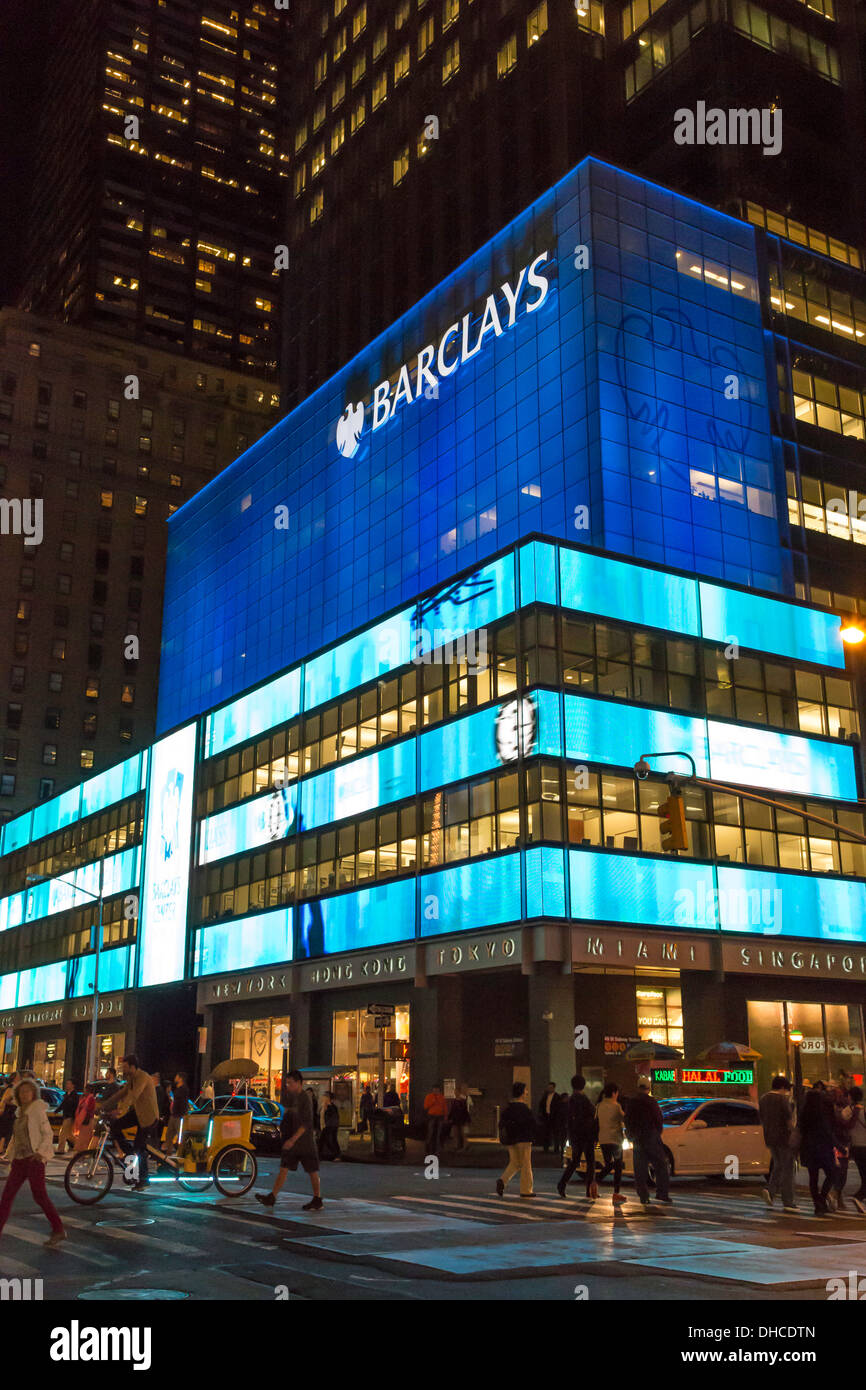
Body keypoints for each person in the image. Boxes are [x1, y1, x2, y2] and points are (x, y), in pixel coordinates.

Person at [0, 1077, 66, 1248]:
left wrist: (40, 1153)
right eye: (21, 1092)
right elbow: (17, 1138)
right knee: (7, 1196)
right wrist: (11, 1156)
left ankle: (58, 1229)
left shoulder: (37, 1111)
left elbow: (47, 1134)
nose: (25, 1094)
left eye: (28, 1091)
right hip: (20, 1160)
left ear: (34, 1093)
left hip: (34, 1160)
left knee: (40, 1196)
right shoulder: (20, 1113)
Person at [256, 1069, 322, 1212]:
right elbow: (287, 1113)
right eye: (287, 1083)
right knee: (284, 1168)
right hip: (292, 1139)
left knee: (312, 1170)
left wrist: (292, 1139)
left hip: (304, 1141)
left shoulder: (305, 1098)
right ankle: (272, 1196)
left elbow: (306, 1123)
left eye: (290, 1083)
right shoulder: (290, 1096)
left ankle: (317, 1198)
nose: (288, 1086)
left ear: (299, 1083)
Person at [95, 1054, 160, 1191]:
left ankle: (144, 1179)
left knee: (139, 1146)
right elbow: (122, 1093)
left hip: (148, 1117)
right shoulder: (131, 1078)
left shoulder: (142, 1077)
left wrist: (120, 1110)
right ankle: (129, 1156)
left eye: (125, 1067)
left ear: (132, 1066)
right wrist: (103, 1106)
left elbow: (133, 1096)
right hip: (137, 1113)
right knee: (115, 1126)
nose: (123, 1069)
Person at [625, 1078, 671, 1207]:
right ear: (648, 1088)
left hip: (637, 1138)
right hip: (651, 1136)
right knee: (661, 1165)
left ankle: (643, 1195)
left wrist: (630, 1135)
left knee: (640, 1168)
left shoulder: (632, 1102)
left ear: (638, 1087)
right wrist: (657, 1132)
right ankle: (662, 1193)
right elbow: (658, 1119)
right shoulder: (651, 1102)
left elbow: (627, 1120)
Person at [758, 1075, 798, 1213]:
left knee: (778, 1165)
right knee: (788, 1169)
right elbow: (789, 1121)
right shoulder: (782, 1099)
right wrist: (795, 1134)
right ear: (782, 1088)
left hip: (770, 1138)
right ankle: (788, 1201)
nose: (787, 1091)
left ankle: (770, 1190)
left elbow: (762, 1118)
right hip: (784, 1138)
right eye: (786, 1089)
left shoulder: (763, 1099)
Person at [798, 1081, 838, 1217]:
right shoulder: (821, 1115)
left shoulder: (804, 1115)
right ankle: (822, 1199)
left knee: (813, 1178)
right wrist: (840, 1147)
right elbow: (827, 1133)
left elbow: (801, 1131)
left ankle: (817, 1204)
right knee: (832, 1174)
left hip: (809, 1149)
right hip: (823, 1149)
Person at [557, 1075, 598, 1199]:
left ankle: (562, 1184)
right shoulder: (585, 1100)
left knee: (575, 1161)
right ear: (583, 1085)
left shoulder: (570, 1101)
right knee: (590, 1162)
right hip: (587, 1135)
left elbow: (568, 1120)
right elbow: (594, 1116)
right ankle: (589, 1189)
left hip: (575, 1135)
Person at [497, 1082, 535, 1198]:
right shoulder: (524, 1109)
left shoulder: (508, 1108)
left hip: (511, 1139)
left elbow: (501, 1124)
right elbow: (531, 1124)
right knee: (526, 1165)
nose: (527, 1092)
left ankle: (503, 1180)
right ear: (522, 1093)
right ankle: (526, 1190)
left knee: (515, 1163)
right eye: (526, 1090)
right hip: (524, 1139)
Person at [595, 1081, 627, 1205]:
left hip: (603, 1140)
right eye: (617, 1093)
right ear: (614, 1093)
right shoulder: (616, 1106)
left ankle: (594, 1181)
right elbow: (623, 1118)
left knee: (608, 1164)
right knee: (617, 1166)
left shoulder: (599, 1106)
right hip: (615, 1140)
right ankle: (616, 1193)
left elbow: (596, 1122)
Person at [847, 1085, 866, 1214]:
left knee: (864, 1176)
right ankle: (858, 1197)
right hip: (864, 1146)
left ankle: (859, 1198)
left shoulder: (847, 1110)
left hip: (854, 1147)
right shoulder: (864, 1110)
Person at [164, 1072, 190, 1153]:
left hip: (179, 1116)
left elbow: (182, 1103)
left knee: (180, 1136)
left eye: (177, 1076)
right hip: (174, 1115)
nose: (175, 1078)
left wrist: (182, 1114)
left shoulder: (184, 1089)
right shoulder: (178, 1089)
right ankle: (169, 1153)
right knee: (169, 1135)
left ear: (180, 1078)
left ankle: (180, 1154)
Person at [55, 1079, 80, 1155]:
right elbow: (63, 1104)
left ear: (73, 1085)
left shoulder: (74, 1095)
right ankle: (79, 1145)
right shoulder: (67, 1094)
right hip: (66, 1115)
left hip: (70, 1116)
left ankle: (61, 1149)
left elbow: (74, 1106)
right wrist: (57, 1110)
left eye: (69, 1084)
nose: (67, 1085)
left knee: (63, 1133)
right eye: (67, 1084)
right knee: (69, 1134)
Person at [0, 1072, 20, 1162]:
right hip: (9, 1112)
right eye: (18, 1077)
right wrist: (15, 1104)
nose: (20, 1078)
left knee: (6, 1131)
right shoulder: (12, 1088)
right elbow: (5, 1100)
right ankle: (2, 1149)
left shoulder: (14, 1087)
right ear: (14, 1078)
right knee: (6, 1131)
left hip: (10, 1112)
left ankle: (2, 1149)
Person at [423, 1084, 448, 1156]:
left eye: (437, 1090)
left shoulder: (442, 1097)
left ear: (439, 1090)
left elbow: (445, 1107)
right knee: (430, 1133)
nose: (436, 1091)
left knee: (438, 1133)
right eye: (434, 1089)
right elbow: (425, 1107)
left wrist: (445, 1116)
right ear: (432, 1090)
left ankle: (436, 1150)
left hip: (440, 1116)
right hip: (432, 1116)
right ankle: (428, 1149)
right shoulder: (429, 1096)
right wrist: (432, 1102)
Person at [73, 1084, 97, 1153]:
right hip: (83, 1120)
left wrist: (84, 1108)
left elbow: (90, 1109)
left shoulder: (91, 1099)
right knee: (82, 1137)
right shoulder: (83, 1098)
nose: (84, 1091)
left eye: (85, 1090)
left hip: (87, 1120)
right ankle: (81, 1152)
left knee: (84, 1138)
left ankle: (81, 1152)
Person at [318, 1091, 341, 1161]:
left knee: (330, 1140)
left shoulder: (332, 1107)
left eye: (325, 1096)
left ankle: (337, 1155)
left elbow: (333, 1118)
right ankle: (322, 1155)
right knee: (325, 1141)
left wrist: (328, 1126)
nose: (323, 1097)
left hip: (330, 1127)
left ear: (328, 1098)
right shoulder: (324, 1106)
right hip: (326, 1126)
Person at [537, 1082, 557, 1152]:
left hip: (554, 1117)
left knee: (555, 1133)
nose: (549, 1089)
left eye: (551, 1087)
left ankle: (556, 1149)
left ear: (554, 1088)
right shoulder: (545, 1096)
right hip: (546, 1116)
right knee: (546, 1133)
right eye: (548, 1087)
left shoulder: (557, 1097)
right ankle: (546, 1148)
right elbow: (541, 1106)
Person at [449, 1087, 470, 1152]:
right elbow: (452, 1111)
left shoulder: (462, 1101)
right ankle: (457, 1146)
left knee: (463, 1133)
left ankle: (464, 1146)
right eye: (455, 1092)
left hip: (462, 1120)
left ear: (459, 1092)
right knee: (456, 1133)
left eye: (456, 1092)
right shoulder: (455, 1101)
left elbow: (464, 1111)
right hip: (456, 1120)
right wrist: (450, 1118)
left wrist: (466, 1120)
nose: (455, 1093)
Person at [551, 1091, 568, 1160]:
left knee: (562, 1140)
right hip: (564, 1126)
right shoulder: (566, 1106)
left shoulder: (559, 1106)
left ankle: (562, 1154)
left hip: (561, 1125)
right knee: (564, 1140)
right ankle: (563, 1154)